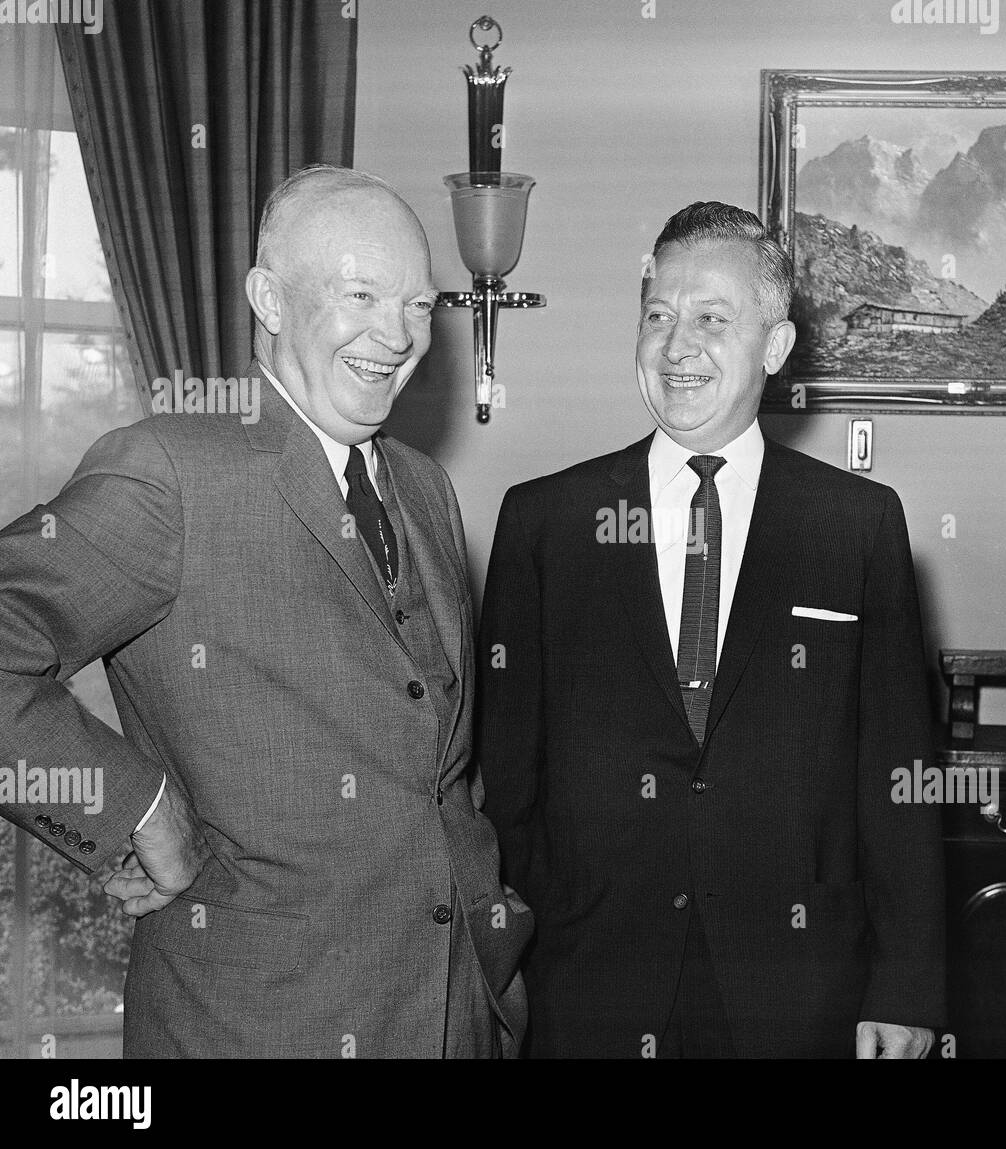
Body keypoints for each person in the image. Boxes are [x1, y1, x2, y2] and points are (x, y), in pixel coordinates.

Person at [0, 165, 531, 1057]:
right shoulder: (167, 470)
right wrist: (137, 808)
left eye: (417, 304)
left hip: (459, 1012)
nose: (396, 335)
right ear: (269, 300)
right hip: (260, 1022)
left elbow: (439, 763)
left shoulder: (423, 485)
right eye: (360, 293)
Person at [476, 201, 944, 1058]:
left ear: (775, 346)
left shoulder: (856, 524)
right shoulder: (545, 521)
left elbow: (898, 774)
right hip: (589, 985)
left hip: (799, 988)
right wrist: (512, 960)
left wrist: (905, 983)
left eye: (710, 320)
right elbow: (507, 784)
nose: (676, 345)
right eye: (658, 315)